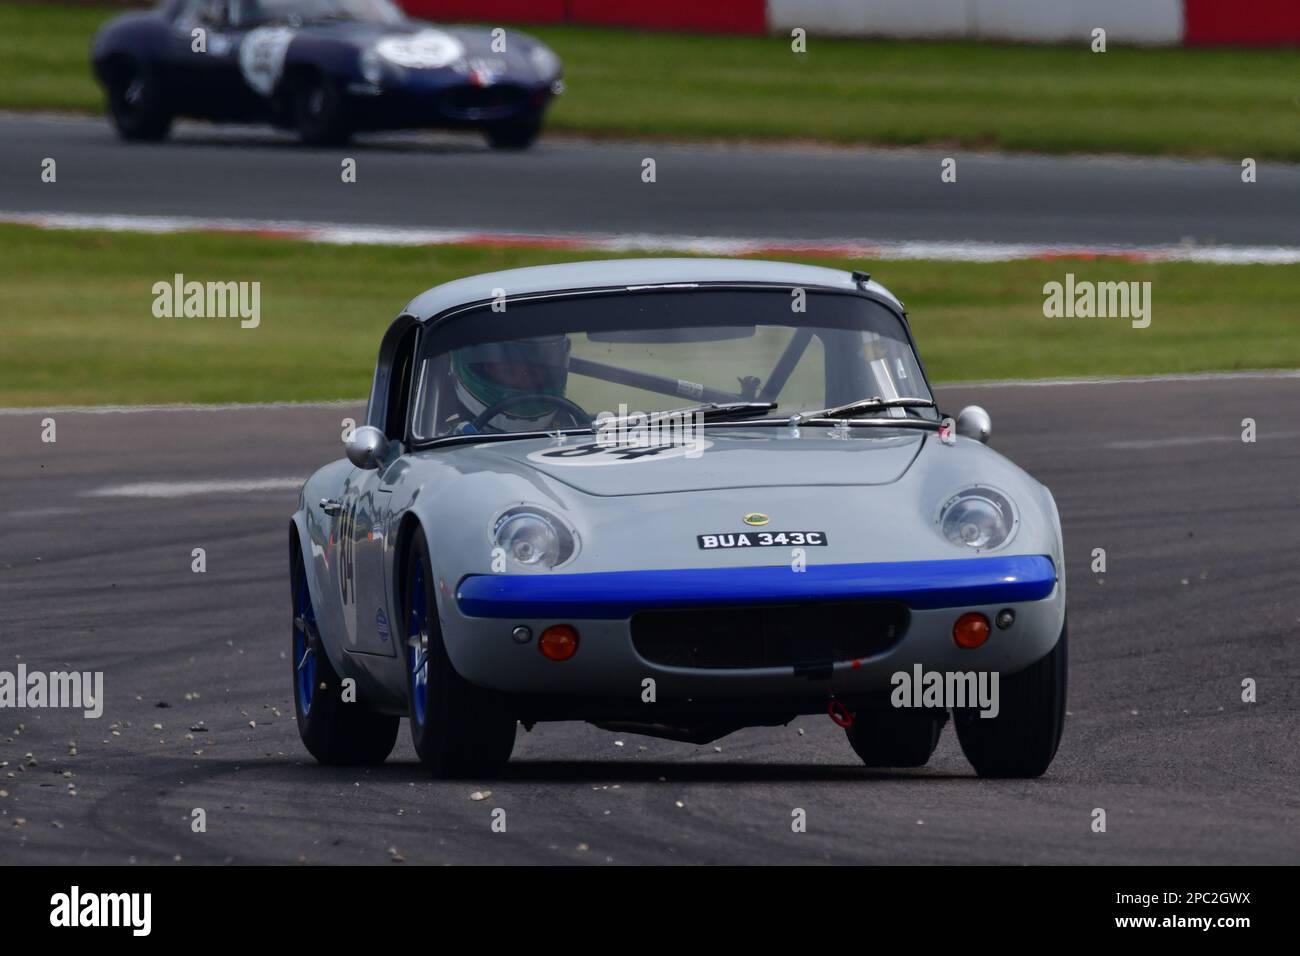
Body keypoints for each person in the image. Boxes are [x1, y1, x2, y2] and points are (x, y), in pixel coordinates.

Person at [444, 335, 574, 434]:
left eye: (530, 373)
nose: (519, 382)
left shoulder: (575, 428)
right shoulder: (438, 436)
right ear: (481, 368)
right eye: (506, 371)